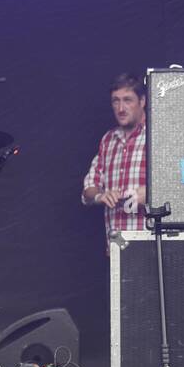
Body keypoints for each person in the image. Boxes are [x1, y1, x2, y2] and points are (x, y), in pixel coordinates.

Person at [81, 73, 147, 243]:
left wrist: (151, 194)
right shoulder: (108, 140)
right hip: (117, 245)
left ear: (142, 101)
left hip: (151, 243)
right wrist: (100, 196)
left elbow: (179, 184)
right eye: (115, 101)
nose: (121, 108)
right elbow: (89, 187)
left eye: (127, 100)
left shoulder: (157, 135)